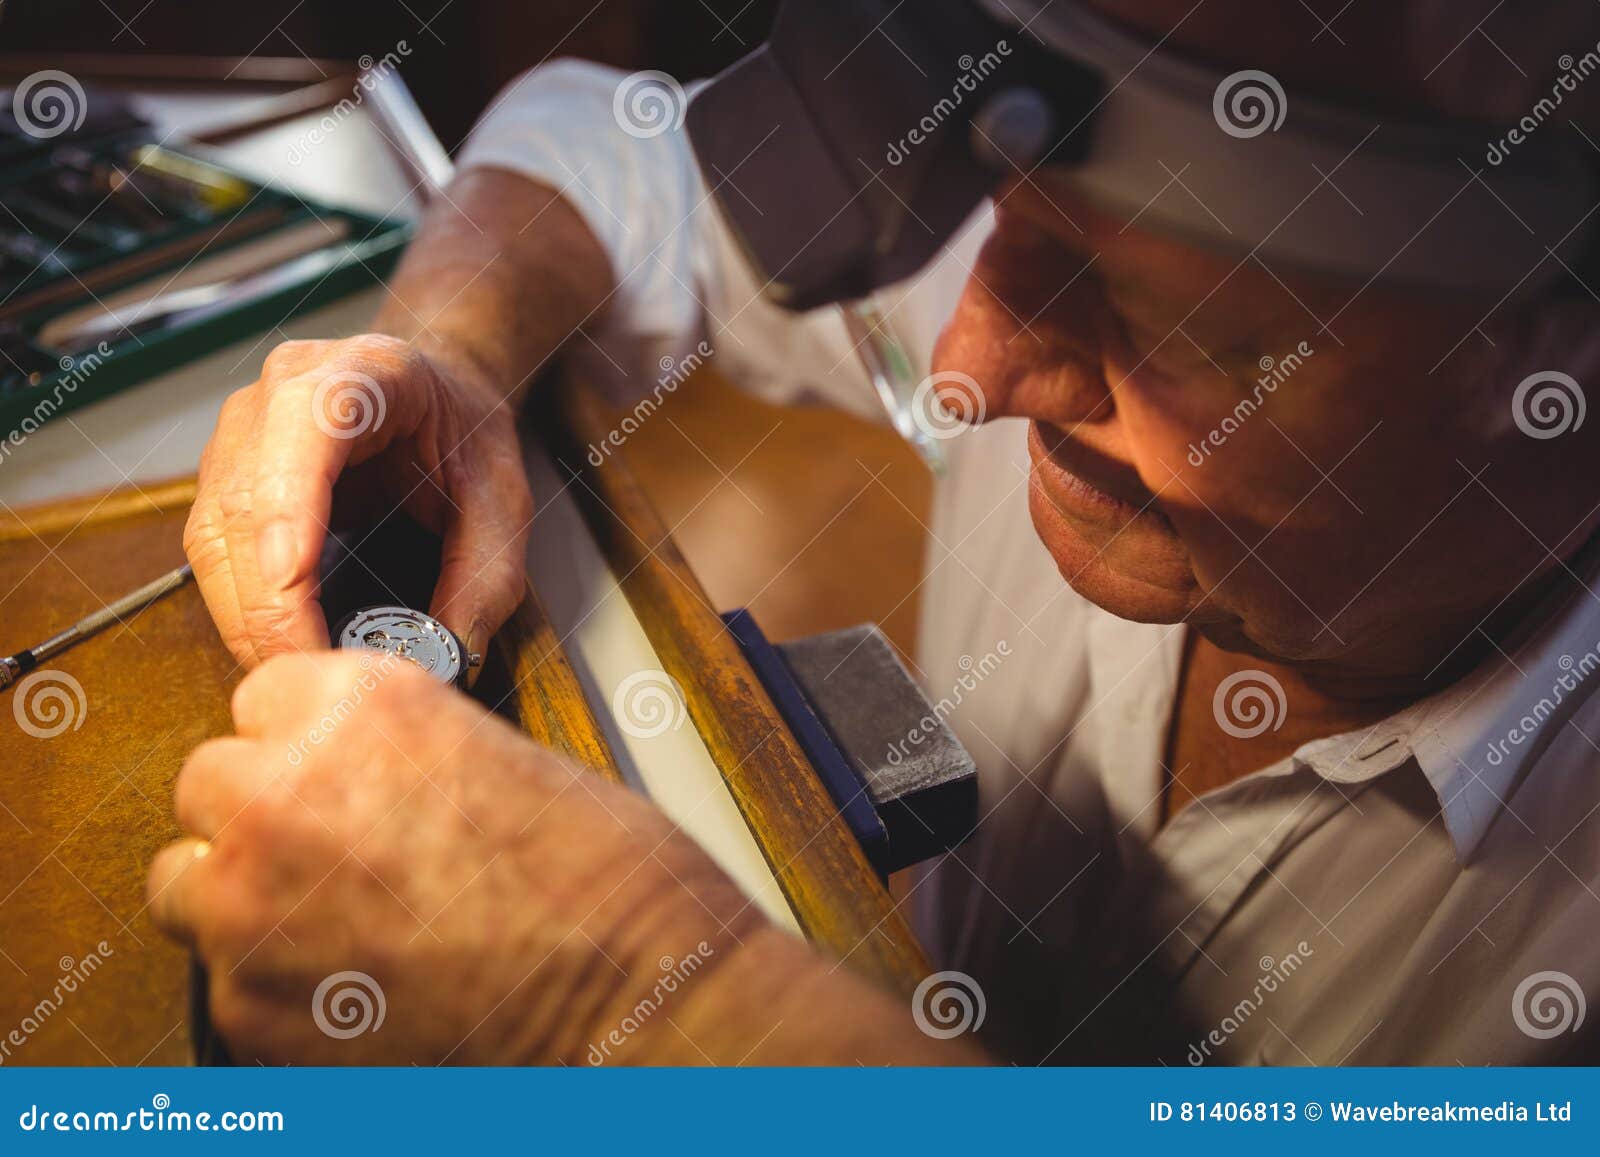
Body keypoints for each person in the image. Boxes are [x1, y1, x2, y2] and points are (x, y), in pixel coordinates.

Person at [149, 0, 1600, 1064]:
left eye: (1176, 328)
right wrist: (451, 355)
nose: (970, 367)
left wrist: (654, 1008)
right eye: (1005, 229)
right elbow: (607, 154)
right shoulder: (1084, 217)